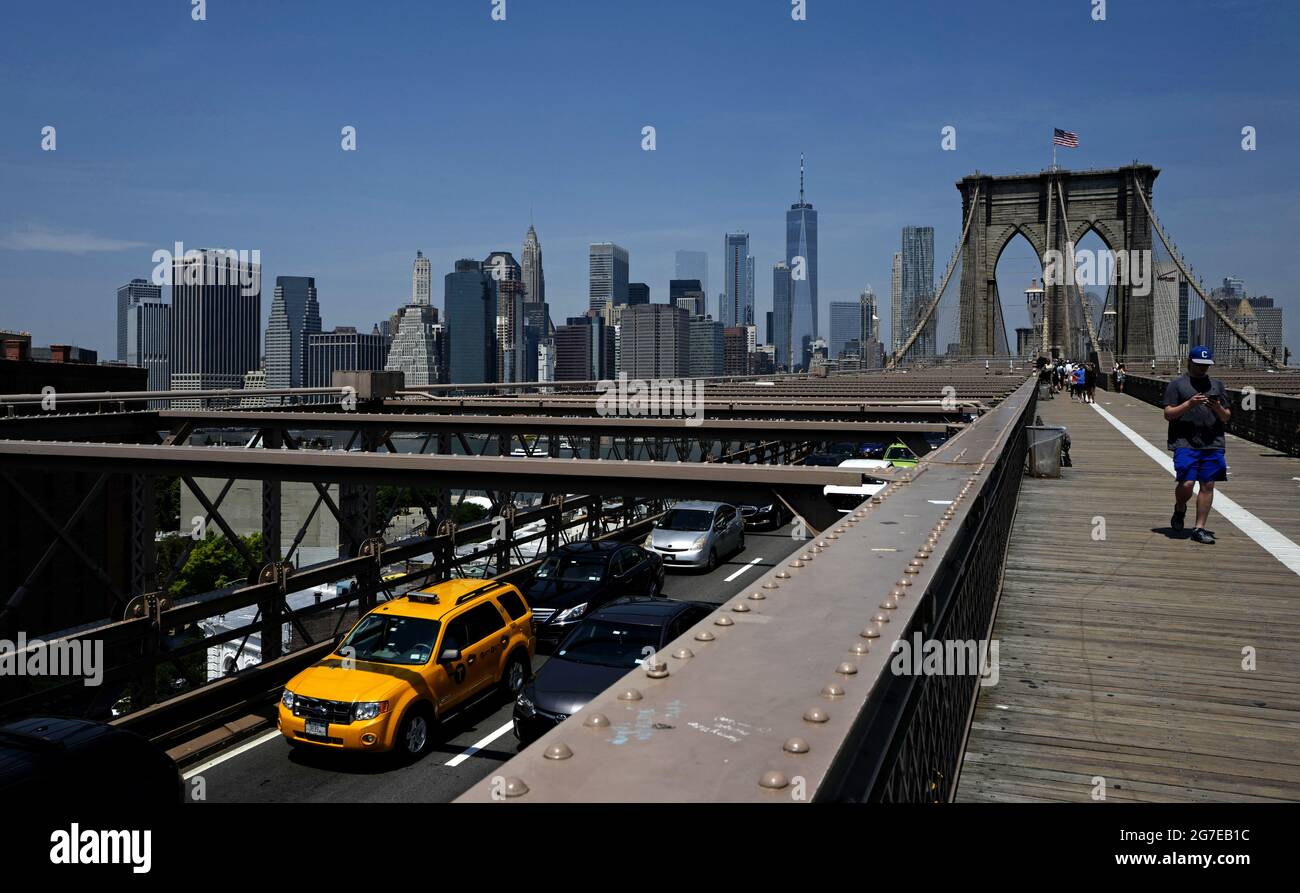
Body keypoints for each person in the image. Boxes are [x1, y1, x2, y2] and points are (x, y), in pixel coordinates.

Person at [1162, 346, 1231, 545]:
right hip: (1185, 442)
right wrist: (1190, 404)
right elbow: (1168, 414)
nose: (1203, 369)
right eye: (1199, 365)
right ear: (1189, 362)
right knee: (1187, 484)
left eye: (1206, 365)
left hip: (1213, 442)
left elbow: (1226, 417)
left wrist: (1217, 407)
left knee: (1208, 484)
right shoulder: (1176, 385)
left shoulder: (1217, 385)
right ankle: (1180, 507)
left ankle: (1199, 528)